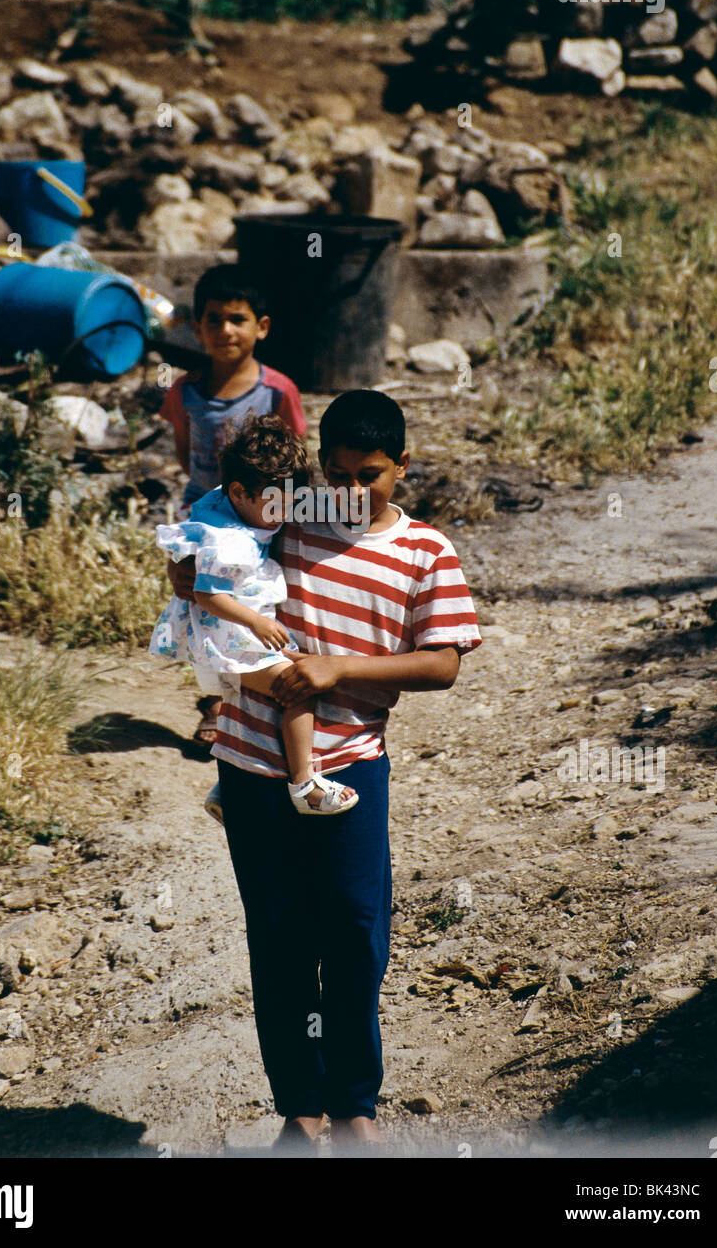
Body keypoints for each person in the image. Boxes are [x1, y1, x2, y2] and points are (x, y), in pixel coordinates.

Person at [168, 390, 482, 1155]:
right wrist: (188, 574)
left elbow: (442, 663)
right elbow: (204, 546)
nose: (350, 491)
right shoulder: (288, 518)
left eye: (370, 475)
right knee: (277, 937)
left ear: (404, 466)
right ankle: (300, 1110)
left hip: (349, 767)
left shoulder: (425, 552)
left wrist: (340, 669)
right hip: (249, 760)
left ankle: (353, 1105)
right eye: (335, 474)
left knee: (354, 934)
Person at [151, 414, 359, 822]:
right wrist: (256, 622)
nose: (284, 514)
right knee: (298, 690)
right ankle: (305, 785)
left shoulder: (227, 502)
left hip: (229, 638)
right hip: (232, 639)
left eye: (291, 502)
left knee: (281, 688)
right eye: (275, 505)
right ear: (240, 491)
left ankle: (234, 787)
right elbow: (207, 593)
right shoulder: (230, 543)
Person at [159, 264, 307, 746]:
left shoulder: (276, 390)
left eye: (237, 319)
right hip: (206, 519)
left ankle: (261, 696)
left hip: (263, 521)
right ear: (197, 327)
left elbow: (297, 455)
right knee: (203, 604)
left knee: (255, 602)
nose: (226, 330)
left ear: (261, 326)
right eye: (214, 319)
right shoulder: (185, 391)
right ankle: (213, 706)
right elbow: (185, 451)